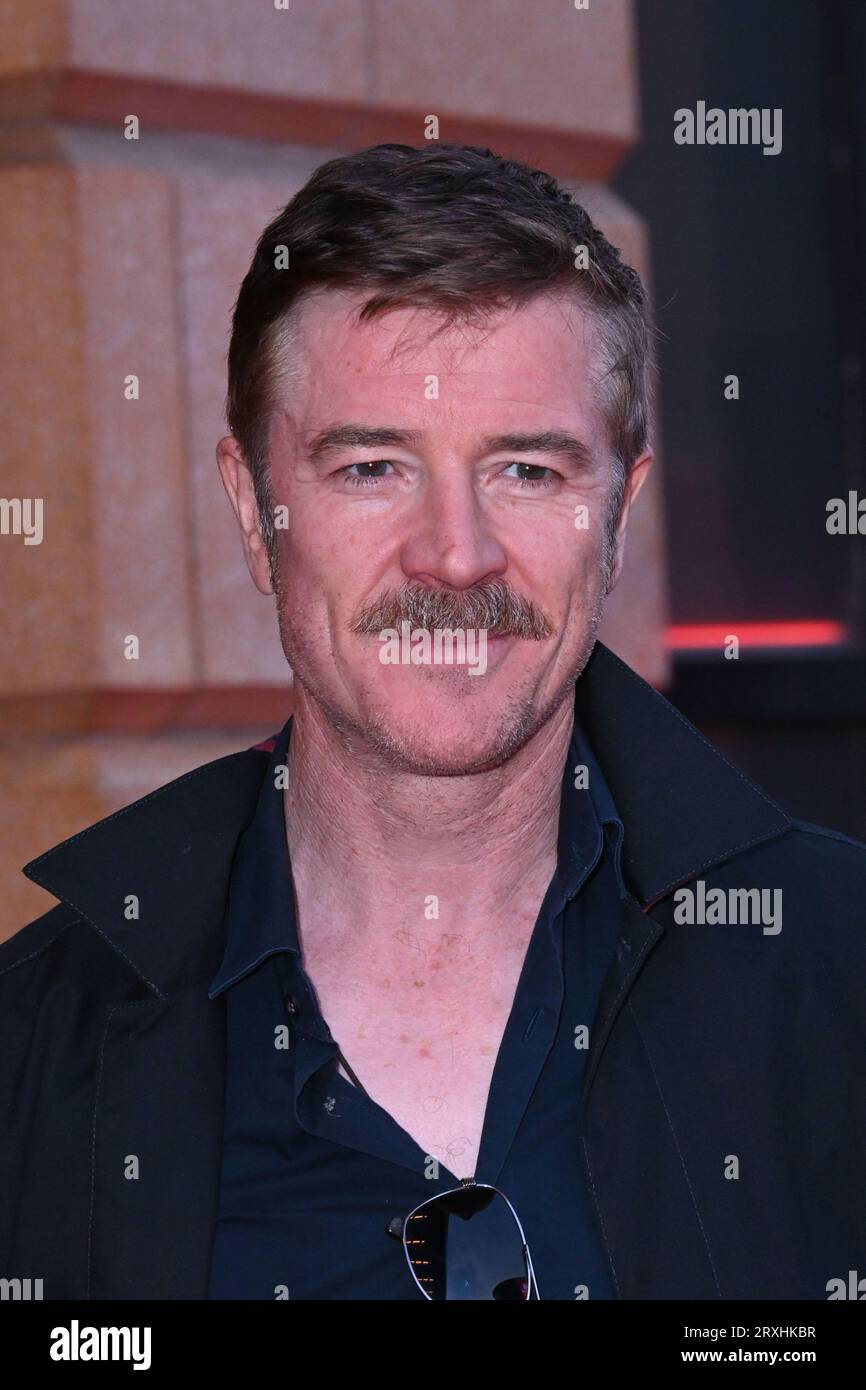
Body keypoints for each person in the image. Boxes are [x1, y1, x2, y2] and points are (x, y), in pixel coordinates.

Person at [2, 143, 864, 1301]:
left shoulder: (836, 974)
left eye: (524, 470)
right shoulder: (36, 1045)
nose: (454, 554)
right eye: (370, 467)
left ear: (617, 518)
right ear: (256, 515)